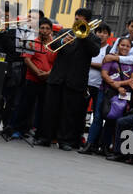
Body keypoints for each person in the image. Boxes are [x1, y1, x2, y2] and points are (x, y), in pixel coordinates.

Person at [39, 8, 103, 150]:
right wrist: (62, 41)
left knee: (69, 113)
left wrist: (84, 36)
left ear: (87, 22)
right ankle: (45, 137)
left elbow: (95, 51)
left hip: (75, 80)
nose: (77, 22)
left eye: (80, 20)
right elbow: (52, 46)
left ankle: (65, 141)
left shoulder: (93, 37)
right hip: (57, 78)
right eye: (76, 19)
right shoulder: (64, 32)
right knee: (50, 109)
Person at [9, 17, 56, 139]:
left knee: (43, 108)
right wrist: (38, 72)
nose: (44, 30)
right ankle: (18, 130)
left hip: (47, 80)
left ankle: (39, 133)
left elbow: (57, 63)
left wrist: (48, 74)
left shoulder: (54, 45)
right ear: (38, 29)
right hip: (32, 78)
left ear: (51, 30)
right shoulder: (32, 42)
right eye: (42, 28)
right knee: (25, 105)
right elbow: (27, 59)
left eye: (47, 28)